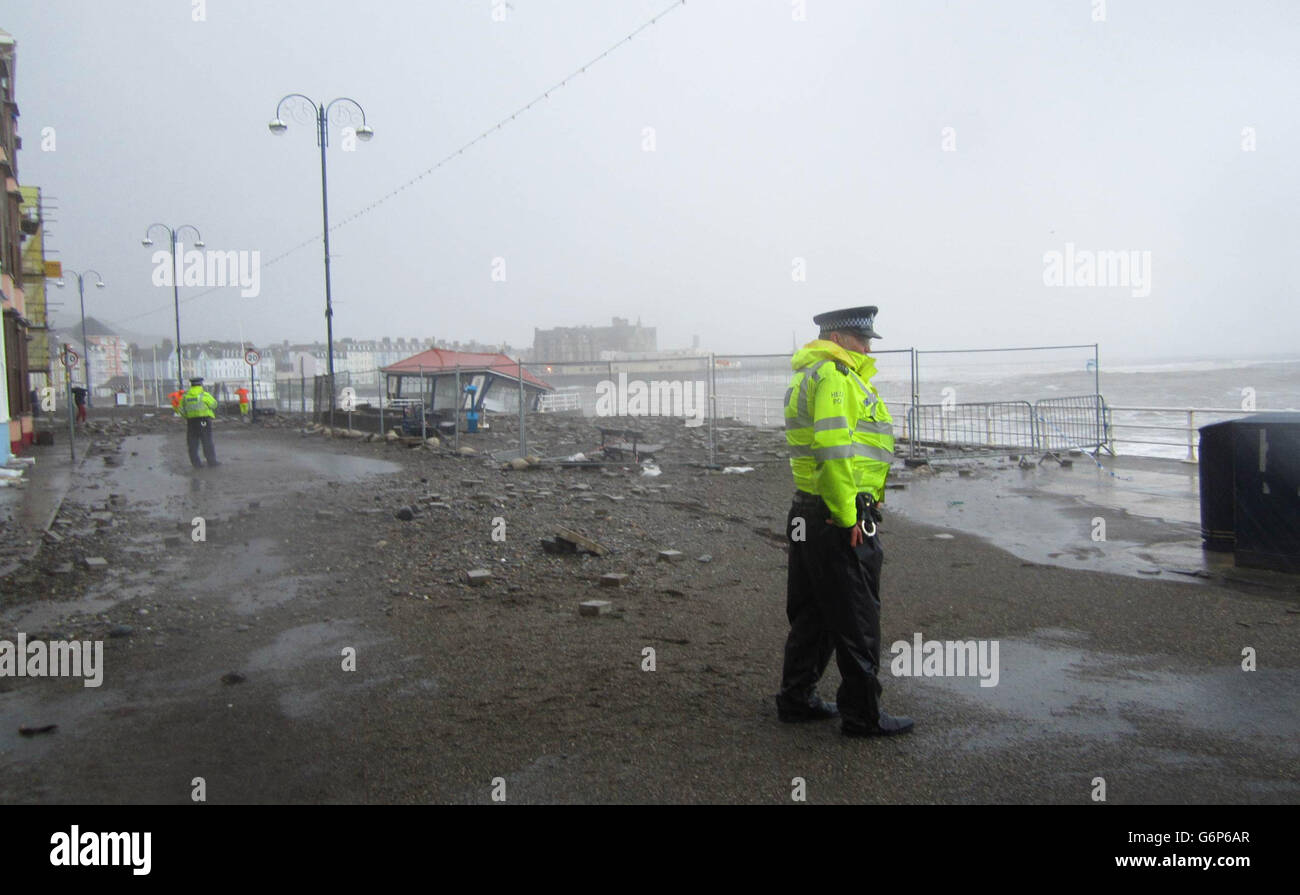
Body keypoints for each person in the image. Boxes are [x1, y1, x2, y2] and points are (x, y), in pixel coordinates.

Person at [777, 306, 913, 737]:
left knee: (814, 614)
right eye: (862, 340)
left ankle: (796, 699)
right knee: (856, 617)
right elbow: (833, 450)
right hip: (838, 513)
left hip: (809, 510)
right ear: (837, 339)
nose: (868, 347)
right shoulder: (834, 377)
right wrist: (848, 514)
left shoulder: (809, 375)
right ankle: (862, 715)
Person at [178, 377, 220, 468]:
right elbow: (214, 404)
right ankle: (211, 462)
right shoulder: (204, 395)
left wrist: (187, 417)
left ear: (191, 385)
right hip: (203, 421)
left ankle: (196, 464)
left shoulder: (185, 396)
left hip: (191, 422)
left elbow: (180, 410)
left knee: (192, 442)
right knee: (206, 441)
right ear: (201, 384)